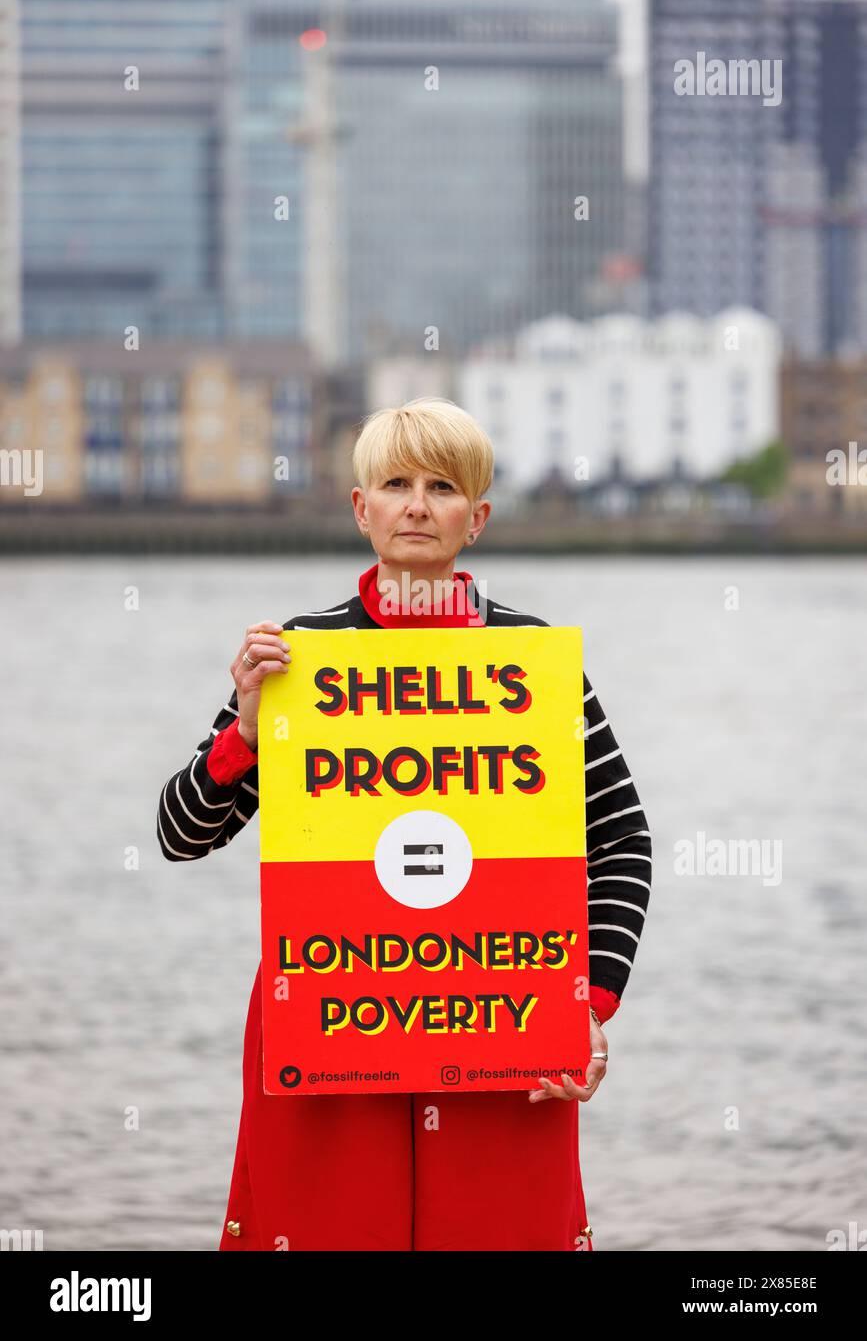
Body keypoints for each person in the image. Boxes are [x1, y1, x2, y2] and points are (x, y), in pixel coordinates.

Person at [157, 397, 652, 1251]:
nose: (417, 505)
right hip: (330, 1022)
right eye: (394, 483)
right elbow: (181, 834)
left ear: (478, 517)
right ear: (361, 509)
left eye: (442, 487)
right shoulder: (299, 658)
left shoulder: (532, 664)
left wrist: (589, 1004)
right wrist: (243, 730)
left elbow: (618, 841)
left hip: (500, 1020)